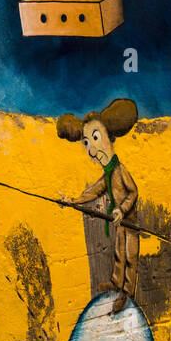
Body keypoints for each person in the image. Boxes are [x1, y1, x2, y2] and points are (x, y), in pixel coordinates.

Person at [57, 98, 140, 314]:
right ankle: (115, 283)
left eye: (94, 137)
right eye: (86, 142)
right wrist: (73, 201)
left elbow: (133, 192)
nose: (90, 147)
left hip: (130, 222)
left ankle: (127, 293)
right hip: (120, 222)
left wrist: (122, 210)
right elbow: (95, 190)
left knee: (130, 258)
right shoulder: (109, 173)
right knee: (119, 255)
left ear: (109, 137)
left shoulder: (120, 169)